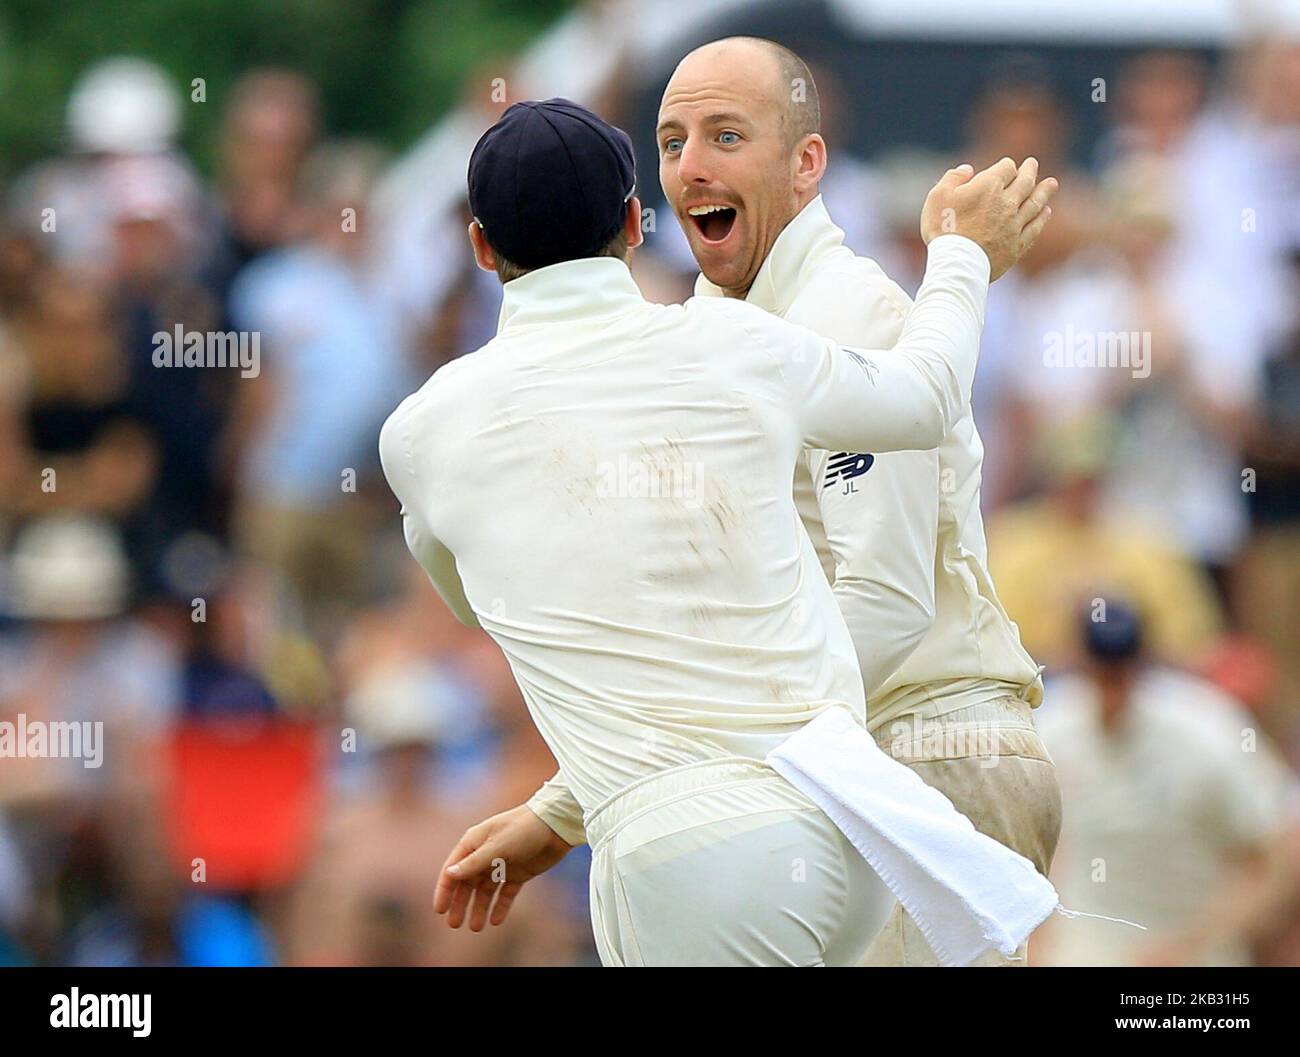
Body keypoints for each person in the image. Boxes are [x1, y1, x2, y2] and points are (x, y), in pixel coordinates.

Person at [380, 94, 1055, 966]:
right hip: (848, 820)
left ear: (478, 245)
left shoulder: (419, 432)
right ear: (632, 222)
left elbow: (478, 606)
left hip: (689, 856)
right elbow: (924, 398)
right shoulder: (733, 337)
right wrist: (962, 254)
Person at [1034, 603, 1296, 967]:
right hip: (1084, 953)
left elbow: (1277, 849)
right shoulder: (1052, 729)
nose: (1112, 690)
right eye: (1101, 673)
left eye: (1120, 673)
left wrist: (1196, 941)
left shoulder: (1209, 731)